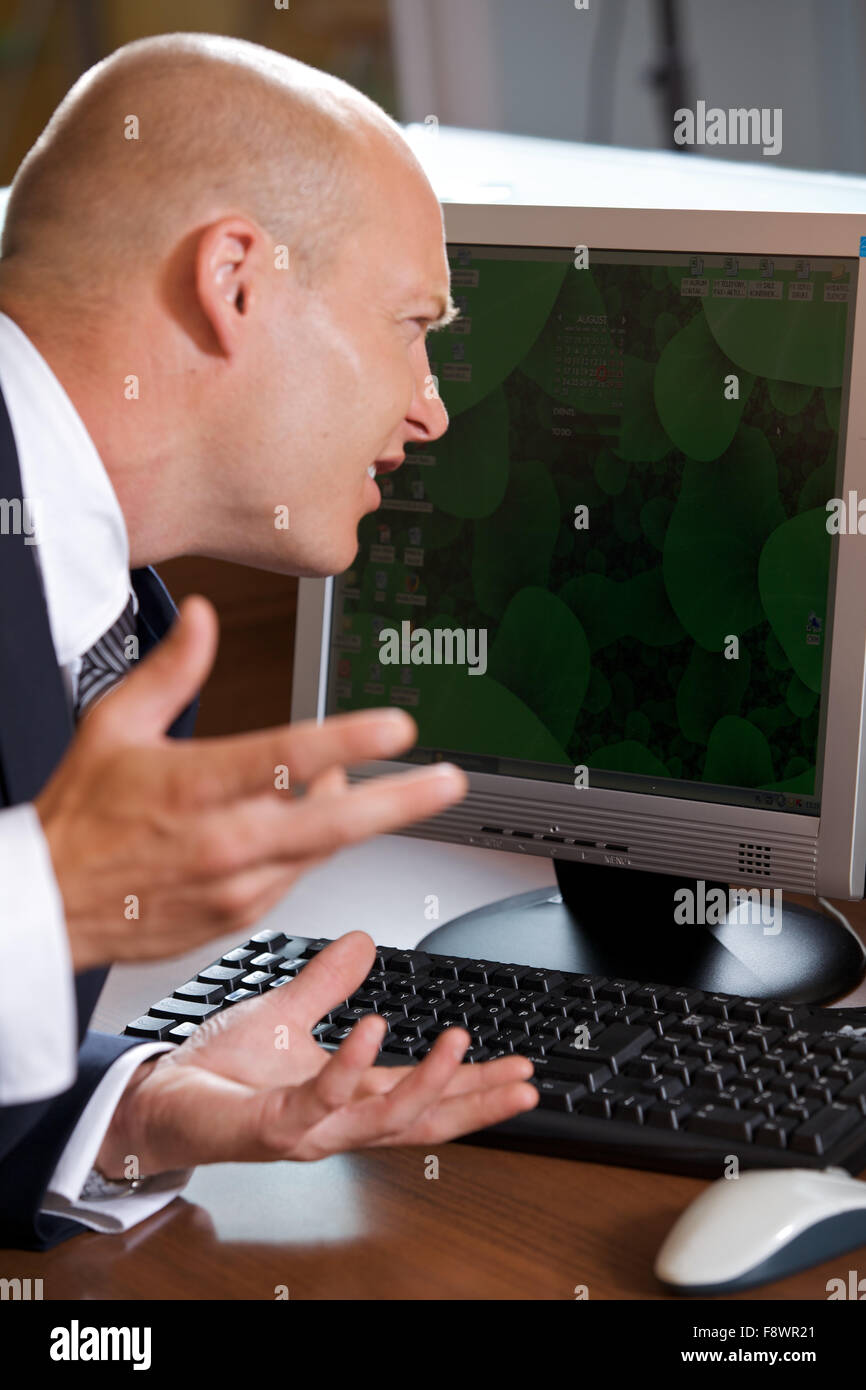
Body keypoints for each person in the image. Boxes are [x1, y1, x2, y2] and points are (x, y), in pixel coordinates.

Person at [0, 32, 538, 1250]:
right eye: (410, 323)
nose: (430, 405)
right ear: (235, 278)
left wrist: (140, 1114)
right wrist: (49, 899)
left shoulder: (117, 608)